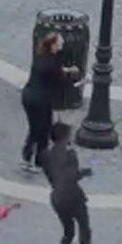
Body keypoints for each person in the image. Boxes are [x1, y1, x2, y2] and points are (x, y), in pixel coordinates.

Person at [22, 32, 80, 172]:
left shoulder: (41, 57)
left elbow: (56, 71)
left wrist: (66, 70)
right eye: (60, 42)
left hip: (28, 96)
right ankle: (38, 163)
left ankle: (26, 156)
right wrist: (73, 77)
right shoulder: (53, 63)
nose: (62, 43)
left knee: (34, 128)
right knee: (43, 130)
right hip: (41, 100)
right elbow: (60, 81)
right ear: (54, 45)